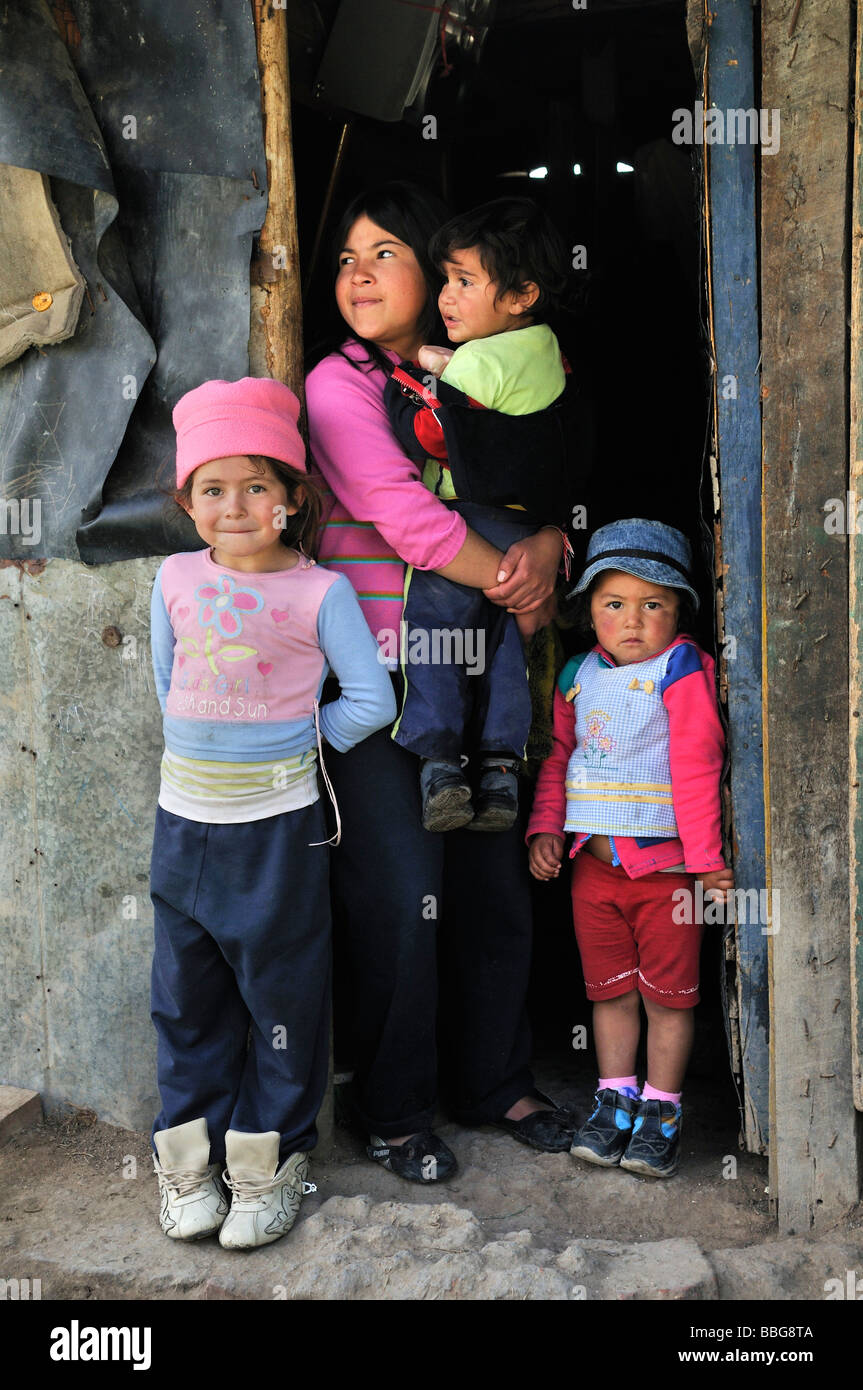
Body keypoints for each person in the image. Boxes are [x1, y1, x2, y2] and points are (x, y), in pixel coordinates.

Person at [305, 181, 576, 1181]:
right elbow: (406, 520)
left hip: (485, 672)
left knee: (492, 885)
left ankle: (494, 1080)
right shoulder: (339, 387)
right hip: (383, 682)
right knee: (401, 895)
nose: (358, 274)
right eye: (345, 258)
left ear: (443, 275)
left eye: (384, 254)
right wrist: (522, 576)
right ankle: (393, 1108)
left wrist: (548, 535)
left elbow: (540, 477)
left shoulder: (491, 371)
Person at [148, 376, 396, 1248]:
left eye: (258, 486)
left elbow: (369, 699)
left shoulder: (320, 593)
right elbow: (167, 682)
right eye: (212, 489)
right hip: (182, 827)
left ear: (293, 499)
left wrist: (297, 739)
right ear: (187, 503)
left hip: (280, 831)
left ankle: (267, 1170)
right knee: (185, 1002)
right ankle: (190, 1166)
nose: (236, 506)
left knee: (280, 998)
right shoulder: (174, 579)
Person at [527, 519, 734, 1178]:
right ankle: (613, 1100)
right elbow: (559, 758)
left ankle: (662, 1109)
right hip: (594, 874)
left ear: (679, 612)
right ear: (588, 610)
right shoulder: (577, 676)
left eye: (653, 604)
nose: (632, 620)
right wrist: (545, 830)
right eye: (613, 604)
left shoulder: (681, 669)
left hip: (667, 874)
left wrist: (703, 861)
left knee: (667, 998)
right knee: (610, 993)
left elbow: (699, 763)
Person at [382, 198, 577, 833]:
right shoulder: (541, 351)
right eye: (445, 279)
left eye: (465, 282)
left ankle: (440, 761)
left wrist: (422, 361)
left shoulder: (499, 354)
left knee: (436, 638)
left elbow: (451, 403)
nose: (446, 296)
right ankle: (499, 770)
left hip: (466, 527)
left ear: (522, 295)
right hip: (522, 532)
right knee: (504, 650)